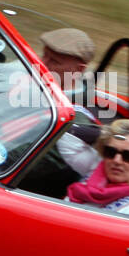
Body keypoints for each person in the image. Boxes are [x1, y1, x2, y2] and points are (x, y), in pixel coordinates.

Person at [65, 119, 129, 220]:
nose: (117, 160)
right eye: (110, 151)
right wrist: (103, 134)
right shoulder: (97, 169)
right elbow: (65, 136)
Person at [39, 27, 104, 177]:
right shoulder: (37, 84)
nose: (42, 63)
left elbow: (20, 159)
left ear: (78, 70)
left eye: (54, 61)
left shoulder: (73, 120)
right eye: (44, 55)